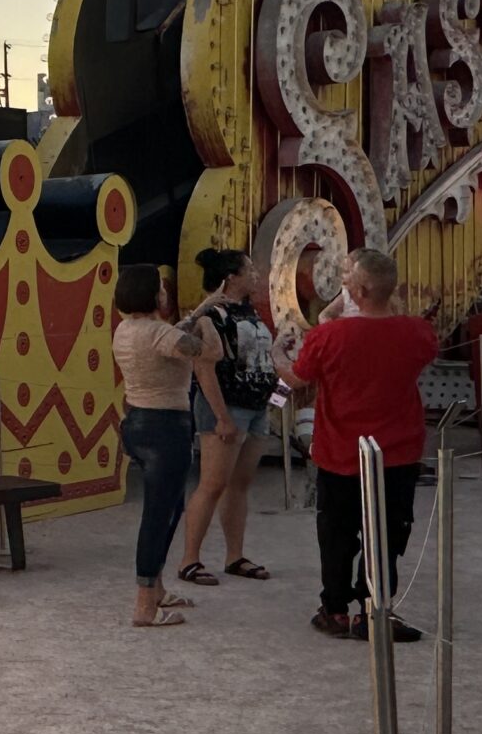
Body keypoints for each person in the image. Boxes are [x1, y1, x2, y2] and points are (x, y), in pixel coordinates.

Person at [279, 247, 432, 642]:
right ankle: (375, 608)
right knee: (387, 533)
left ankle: (334, 608)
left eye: (348, 277)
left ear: (359, 290)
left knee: (336, 533)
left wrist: (277, 353)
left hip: (340, 451)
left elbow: (297, 379)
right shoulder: (416, 332)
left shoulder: (329, 335)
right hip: (397, 453)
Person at [176, 247, 278, 586]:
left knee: (240, 483)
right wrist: (222, 417)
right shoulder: (212, 317)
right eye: (249, 269)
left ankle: (235, 554)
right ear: (230, 277)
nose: (256, 275)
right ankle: (190, 558)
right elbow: (204, 368)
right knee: (213, 483)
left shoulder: (251, 312)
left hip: (255, 406)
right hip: (227, 406)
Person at [111, 262, 203, 627]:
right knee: (158, 516)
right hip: (166, 427)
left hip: (136, 421)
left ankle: (158, 588)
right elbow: (195, 348)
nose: (165, 293)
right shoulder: (159, 333)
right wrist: (202, 322)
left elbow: (168, 341)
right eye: (161, 288)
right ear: (153, 294)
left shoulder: (125, 329)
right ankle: (145, 606)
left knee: (167, 508)